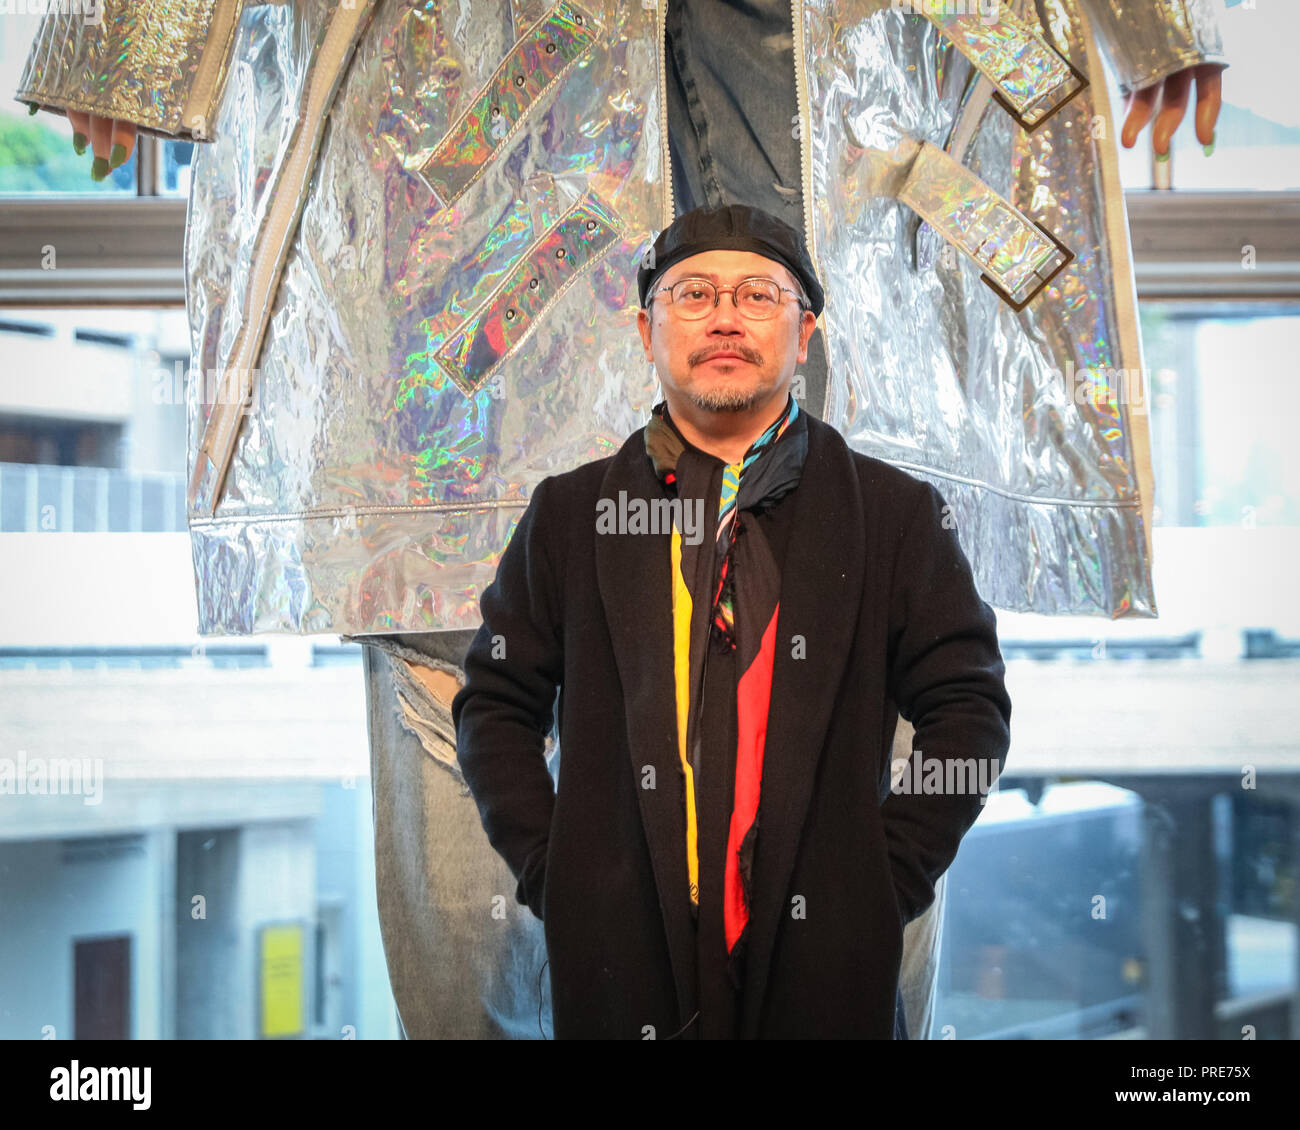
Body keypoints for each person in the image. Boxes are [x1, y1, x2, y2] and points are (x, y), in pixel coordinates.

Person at [16, 0, 1225, 1040]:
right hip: (496, 86)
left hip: (805, 73)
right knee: (455, 588)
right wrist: (128, 32)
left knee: (855, 603)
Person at [450, 202, 1013, 1039]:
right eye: (692, 295)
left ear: (805, 330)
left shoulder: (894, 516)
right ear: (647, 331)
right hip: (622, 967)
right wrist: (559, 873)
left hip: (823, 965)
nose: (723, 317)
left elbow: (969, 710)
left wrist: (881, 879)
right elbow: (494, 705)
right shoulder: (571, 515)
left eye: (757, 295)